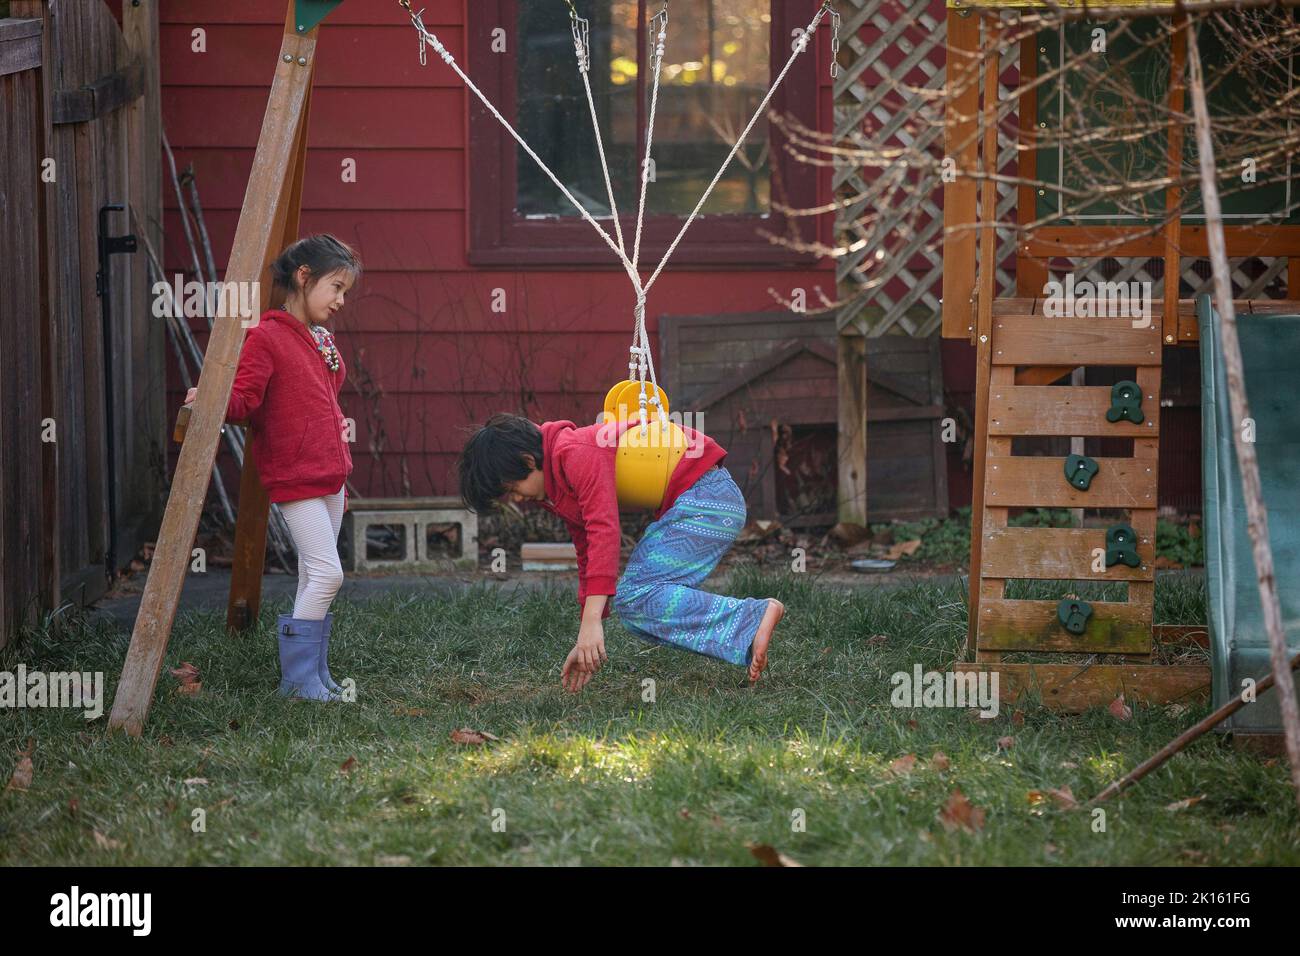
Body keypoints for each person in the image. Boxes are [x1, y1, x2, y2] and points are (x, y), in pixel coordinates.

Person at [458, 413, 784, 693]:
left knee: (634, 596)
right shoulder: (558, 482)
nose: (515, 499)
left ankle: (750, 619)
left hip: (706, 498)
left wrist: (590, 624)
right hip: (702, 501)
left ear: (528, 462)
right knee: (635, 613)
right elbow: (587, 548)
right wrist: (589, 627)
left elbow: (604, 531)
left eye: (512, 489)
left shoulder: (575, 453)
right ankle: (745, 635)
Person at [186, 234, 360, 701]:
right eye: (336, 288)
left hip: (330, 476)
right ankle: (297, 683)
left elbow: (326, 390)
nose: (341, 301)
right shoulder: (265, 337)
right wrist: (211, 398)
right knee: (328, 574)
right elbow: (244, 401)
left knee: (312, 574)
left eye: (346, 292)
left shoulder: (317, 337)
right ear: (304, 278)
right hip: (295, 477)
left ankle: (315, 674)